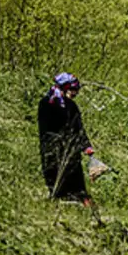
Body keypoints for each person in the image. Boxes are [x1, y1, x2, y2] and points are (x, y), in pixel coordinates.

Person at [37, 72, 94, 204]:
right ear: (64, 87)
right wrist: (55, 144)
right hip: (53, 149)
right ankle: (57, 202)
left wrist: (86, 146)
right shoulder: (46, 104)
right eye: (72, 89)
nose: (75, 93)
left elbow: (78, 128)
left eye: (76, 90)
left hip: (71, 150)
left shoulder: (72, 106)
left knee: (76, 179)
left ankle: (80, 202)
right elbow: (45, 130)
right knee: (55, 177)